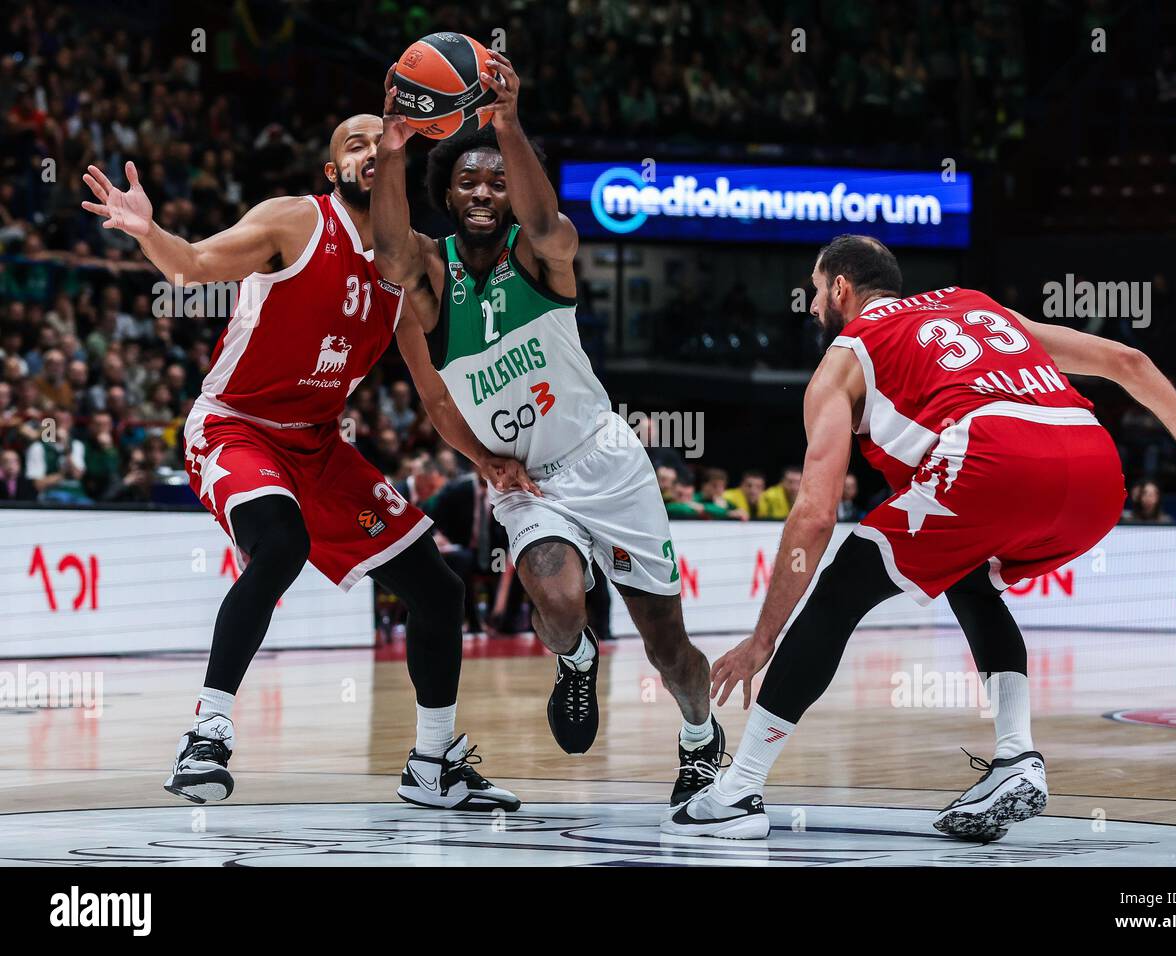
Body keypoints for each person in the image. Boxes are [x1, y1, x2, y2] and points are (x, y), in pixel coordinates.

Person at [666, 235, 1176, 839]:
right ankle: (1016, 756)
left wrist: (764, 639)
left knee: (842, 587)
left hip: (993, 456)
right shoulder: (978, 305)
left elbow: (814, 515)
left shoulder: (843, 357)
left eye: (816, 292)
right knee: (967, 577)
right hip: (1097, 470)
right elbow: (1125, 360)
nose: (813, 307)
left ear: (840, 288)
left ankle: (740, 790)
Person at [80, 114, 533, 812]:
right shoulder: (293, 221)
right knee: (281, 543)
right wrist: (148, 231)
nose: (367, 150)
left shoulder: (407, 264)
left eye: (378, 141)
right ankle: (207, 735)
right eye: (351, 144)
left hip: (318, 444)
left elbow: (434, 394)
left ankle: (432, 765)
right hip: (237, 427)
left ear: (399, 165)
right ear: (335, 172)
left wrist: (486, 459)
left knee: (439, 591)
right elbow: (190, 266)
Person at [373, 55, 724, 807]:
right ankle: (574, 659)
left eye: (496, 180)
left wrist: (506, 121)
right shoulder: (430, 285)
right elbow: (429, 375)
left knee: (668, 646)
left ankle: (700, 737)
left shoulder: (539, 257)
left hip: (606, 460)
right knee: (557, 599)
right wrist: (395, 149)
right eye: (468, 180)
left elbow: (545, 220)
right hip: (528, 478)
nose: (482, 191)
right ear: (446, 193)